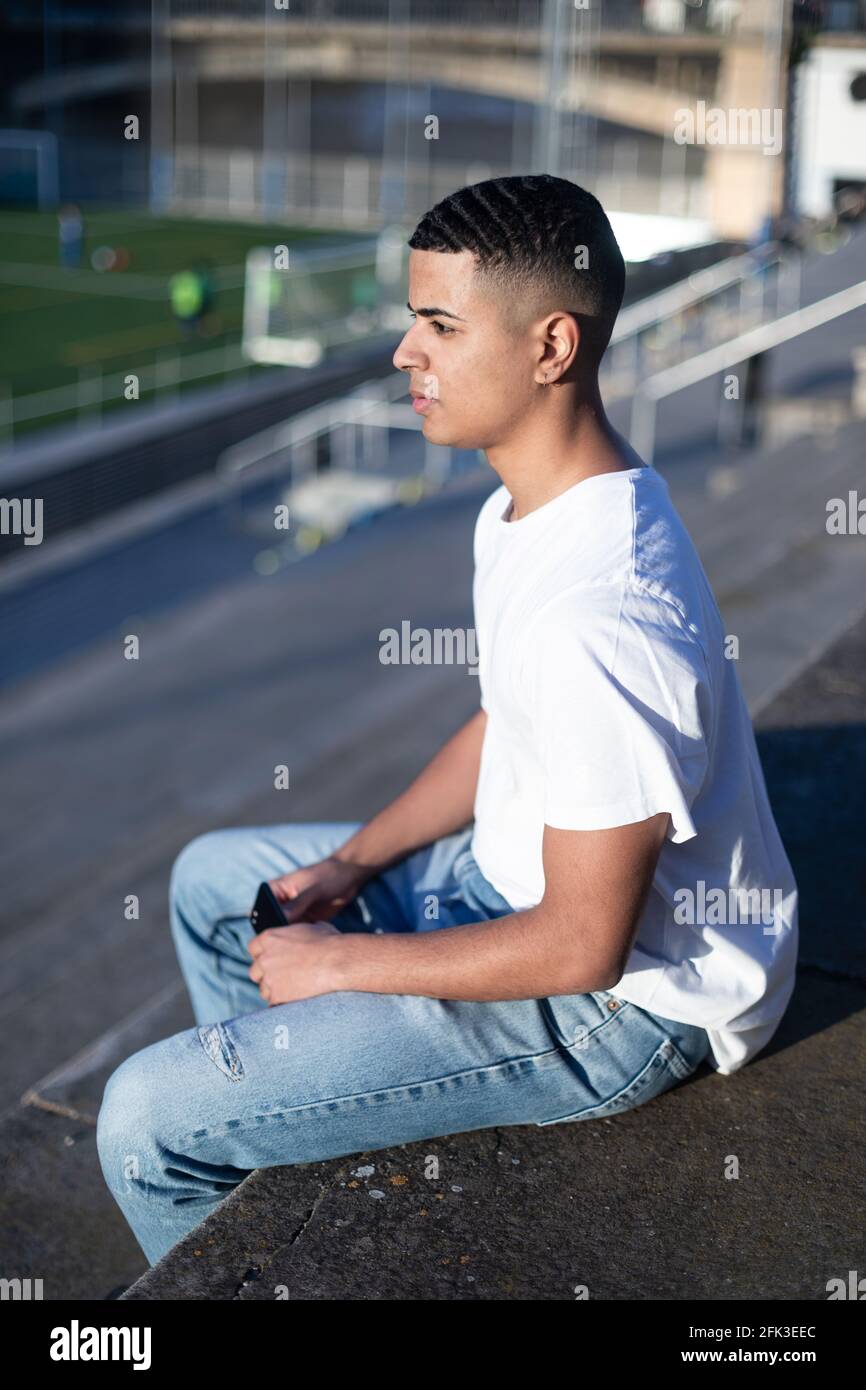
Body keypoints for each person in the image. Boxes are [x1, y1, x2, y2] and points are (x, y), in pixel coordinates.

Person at [97, 174, 798, 1270]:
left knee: (142, 1120)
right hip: (505, 878)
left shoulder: (602, 613)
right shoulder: (525, 507)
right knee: (207, 884)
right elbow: (504, 725)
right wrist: (349, 862)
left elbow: (581, 945)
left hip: (624, 1005)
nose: (401, 354)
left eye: (437, 324)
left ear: (549, 346)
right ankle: (300, 1132)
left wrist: (340, 971)